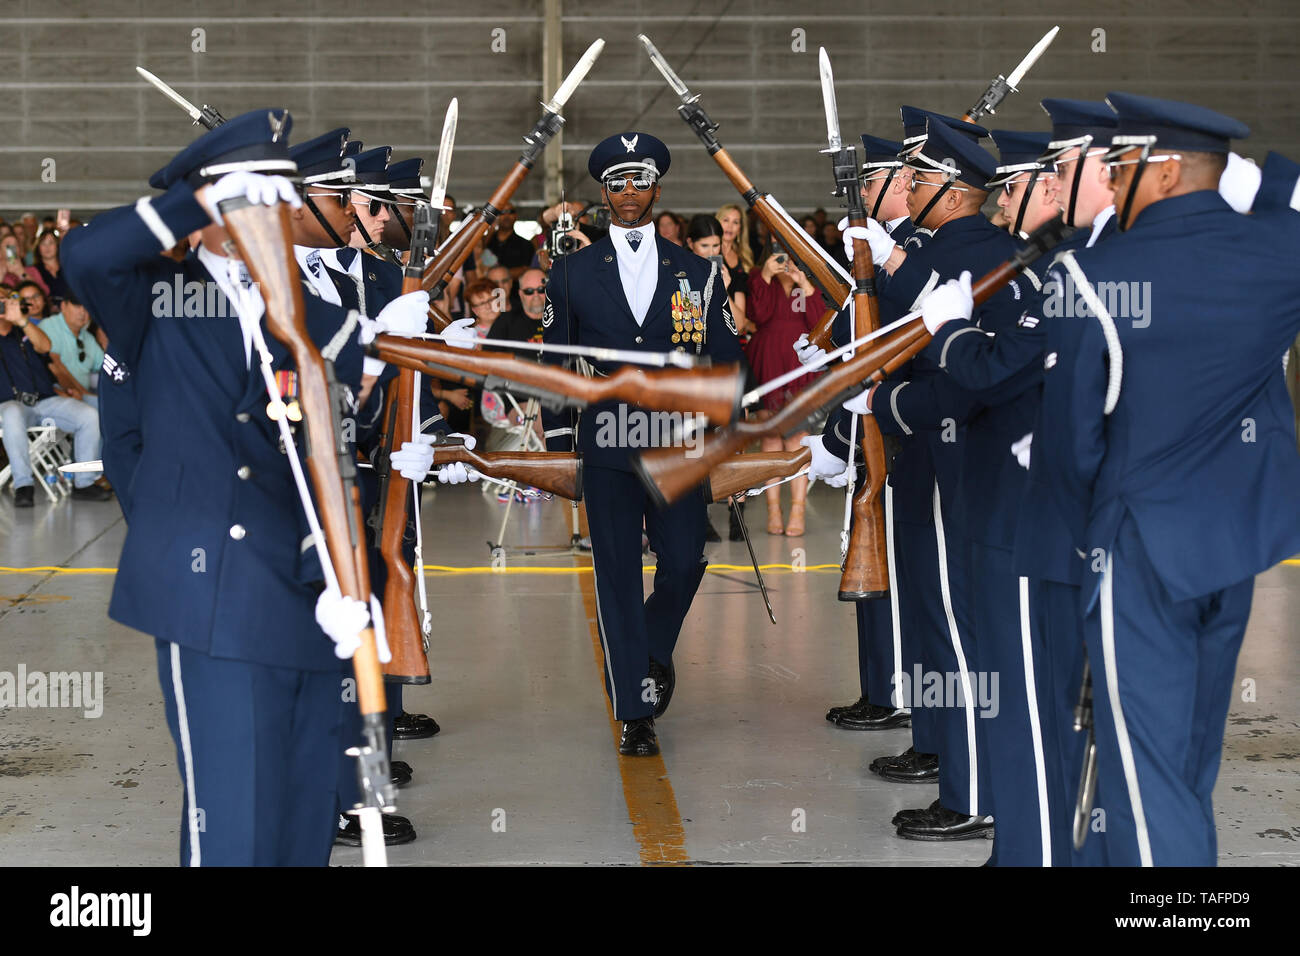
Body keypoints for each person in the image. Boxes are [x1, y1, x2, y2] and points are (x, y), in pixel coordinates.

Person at [60, 109, 428, 865]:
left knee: (302, 824)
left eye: (279, 192)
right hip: (216, 601)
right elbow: (86, 255)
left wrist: (416, 378)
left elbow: (340, 428)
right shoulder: (162, 298)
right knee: (233, 830)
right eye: (260, 193)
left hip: (314, 594)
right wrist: (198, 198)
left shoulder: (310, 311)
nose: (280, 208)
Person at [1029, 92, 1300, 866]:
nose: (1110, 184)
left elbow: (1072, 447)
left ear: (1170, 172)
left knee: (1144, 776)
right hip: (1235, 547)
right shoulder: (1281, 252)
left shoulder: (1090, 275)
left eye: (1122, 167)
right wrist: (1271, 184)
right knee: (1186, 759)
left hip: (1136, 545)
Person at [543, 131, 742, 758]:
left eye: (640, 182)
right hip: (605, 436)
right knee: (617, 575)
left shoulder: (701, 272)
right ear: (603, 193)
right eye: (617, 184)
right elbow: (555, 358)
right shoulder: (571, 271)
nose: (628, 193)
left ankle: (651, 651)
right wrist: (555, 438)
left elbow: (727, 357)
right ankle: (635, 709)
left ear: (657, 188)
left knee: (685, 559)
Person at [0, 294, 107, 506]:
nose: (4, 307)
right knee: (12, 413)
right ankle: (24, 485)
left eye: (6, 301)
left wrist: (21, 321)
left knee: (89, 415)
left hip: (45, 401)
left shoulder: (25, 330)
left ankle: (84, 483)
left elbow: (45, 346)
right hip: (11, 405)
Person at [746, 246, 818, 536]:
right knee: (771, 436)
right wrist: (765, 274)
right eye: (778, 257)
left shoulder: (810, 280)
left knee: (798, 437)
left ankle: (798, 510)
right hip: (768, 361)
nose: (784, 262)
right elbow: (757, 315)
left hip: (799, 363)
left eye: (789, 256)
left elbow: (819, 322)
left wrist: (804, 282)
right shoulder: (758, 277)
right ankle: (773, 510)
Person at [38, 290, 105, 407]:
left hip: (86, 393)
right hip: (61, 394)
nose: (82, 312)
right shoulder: (50, 325)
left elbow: (105, 366)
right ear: (63, 306)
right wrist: (84, 393)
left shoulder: (88, 337)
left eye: (86, 307)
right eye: (77, 305)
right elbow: (55, 366)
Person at [484, 204, 534, 279]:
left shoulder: (526, 244)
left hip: (515, 289)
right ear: (496, 217)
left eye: (510, 212)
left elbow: (526, 270)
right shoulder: (487, 241)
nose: (507, 216)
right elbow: (477, 258)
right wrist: (490, 231)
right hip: (488, 288)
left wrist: (498, 276)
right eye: (502, 212)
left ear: (516, 216)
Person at [32, 225, 70, 302]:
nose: (47, 247)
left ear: (57, 245)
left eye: (51, 243)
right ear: (38, 248)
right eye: (43, 243)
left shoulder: (68, 267)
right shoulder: (33, 270)